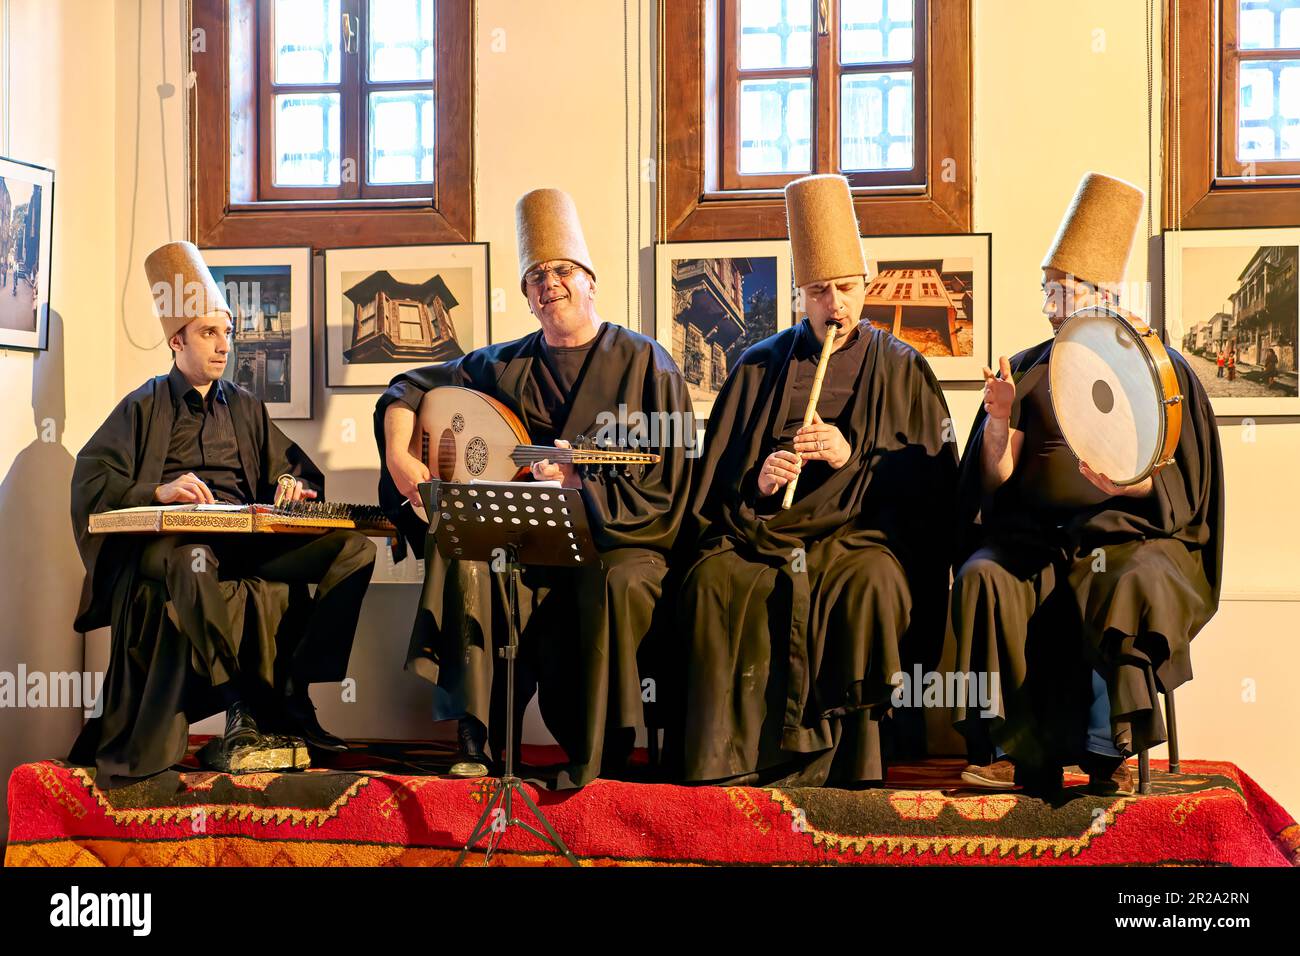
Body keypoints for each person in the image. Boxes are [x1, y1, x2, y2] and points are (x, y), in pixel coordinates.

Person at [375, 188, 695, 788]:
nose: (550, 283)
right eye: (536, 276)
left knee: (612, 579)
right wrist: (399, 454)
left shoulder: (649, 365)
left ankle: (599, 753)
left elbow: (669, 483)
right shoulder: (501, 366)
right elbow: (406, 387)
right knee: (465, 551)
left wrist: (584, 486)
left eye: (563, 271)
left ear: (591, 281)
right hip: (525, 539)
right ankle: (476, 736)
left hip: (617, 541)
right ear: (526, 296)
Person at [675, 173, 960, 787]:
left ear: (865, 286)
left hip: (860, 535)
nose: (838, 304)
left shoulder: (904, 366)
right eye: (822, 291)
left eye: (849, 288)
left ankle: (851, 763)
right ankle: (730, 760)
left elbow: (932, 482)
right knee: (713, 582)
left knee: (873, 583)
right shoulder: (757, 364)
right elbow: (715, 478)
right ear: (801, 296)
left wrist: (850, 456)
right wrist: (758, 479)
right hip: (766, 530)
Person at [951, 173, 1224, 795]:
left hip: (1130, 535)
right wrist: (997, 421)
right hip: (1034, 539)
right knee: (982, 575)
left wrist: (1128, 489)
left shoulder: (1160, 370)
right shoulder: (1024, 369)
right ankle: (1007, 750)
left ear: (1105, 294)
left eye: (1064, 291)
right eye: (1047, 290)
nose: (1051, 305)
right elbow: (994, 481)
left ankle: (1111, 749)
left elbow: (1183, 489)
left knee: (1123, 577)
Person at [70, 241, 376, 784]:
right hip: (170, 545)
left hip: (241, 535)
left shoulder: (246, 406)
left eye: (227, 333)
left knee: (353, 551)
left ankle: (293, 691)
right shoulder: (144, 405)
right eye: (208, 333)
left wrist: (291, 484)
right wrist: (158, 492)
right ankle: (238, 706)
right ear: (176, 340)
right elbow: (92, 479)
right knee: (193, 561)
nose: (222, 346)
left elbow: (298, 470)